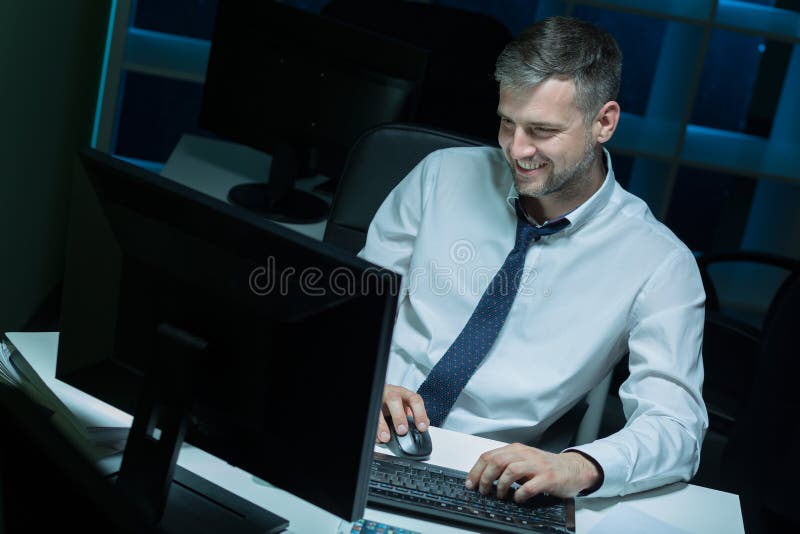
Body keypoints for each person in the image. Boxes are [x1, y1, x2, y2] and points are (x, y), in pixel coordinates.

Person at [359, 16, 707, 501]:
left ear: (603, 122)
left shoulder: (659, 264)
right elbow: (358, 308)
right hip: (361, 425)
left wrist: (582, 466)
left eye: (542, 131)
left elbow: (678, 428)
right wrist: (364, 378)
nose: (517, 150)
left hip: (483, 475)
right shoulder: (439, 176)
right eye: (507, 122)